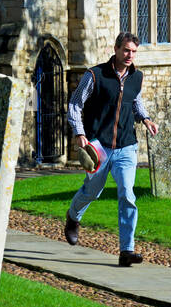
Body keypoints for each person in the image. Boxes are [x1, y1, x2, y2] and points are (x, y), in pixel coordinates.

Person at [64, 32, 159, 266]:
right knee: (92, 191)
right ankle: (73, 217)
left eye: (134, 51)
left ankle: (127, 250)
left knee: (127, 193)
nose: (130, 55)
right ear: (116, 49)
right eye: (126, 50)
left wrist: (145, 119)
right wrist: (80, 133)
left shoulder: (137, 77)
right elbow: (75, 104)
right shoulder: (95, 75)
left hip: (127, 145)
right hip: (98, 146)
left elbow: (134, 100)